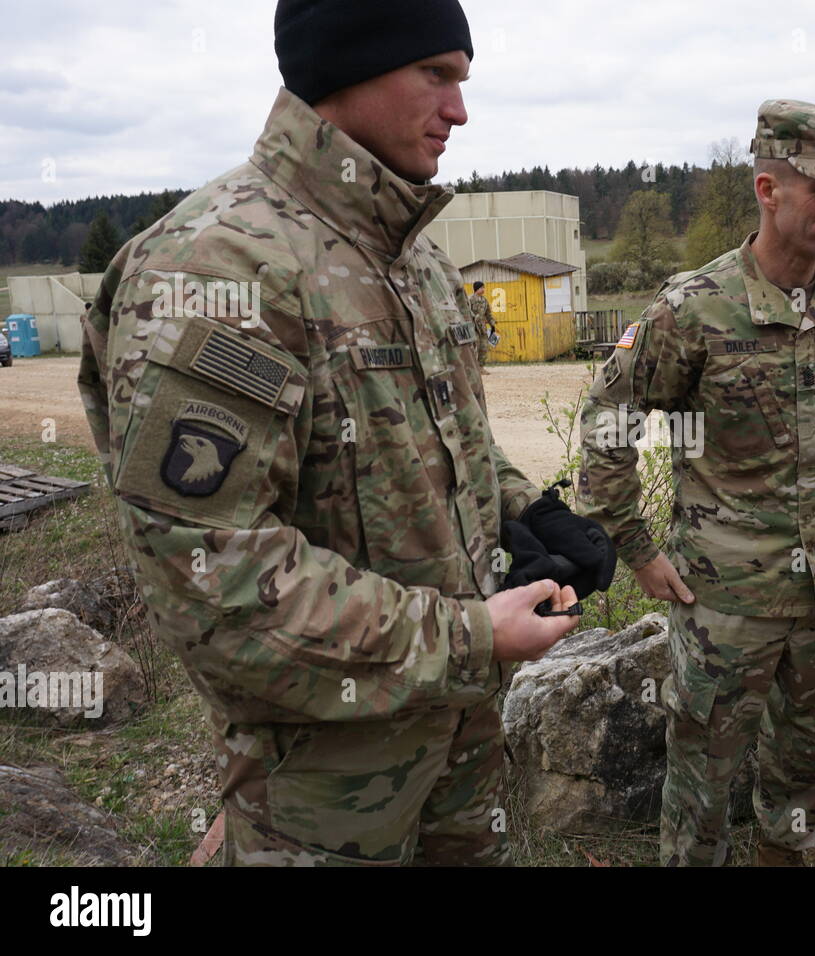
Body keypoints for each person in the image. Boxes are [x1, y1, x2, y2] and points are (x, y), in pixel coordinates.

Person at [76, 0, 614, 866]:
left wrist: (532, 511)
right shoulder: (218, 268)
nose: (460, 111)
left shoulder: (417, 258)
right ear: (346, 67)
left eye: (462, 80)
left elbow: (445, 441)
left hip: (460, 757)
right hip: (326, 791)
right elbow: (216, 582)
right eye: (435, 75)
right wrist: (473, 636)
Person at [577, 100, 815, 866]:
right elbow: (608, 416)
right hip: (725, 601)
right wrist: (635, 546)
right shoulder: (695, 307)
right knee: (704, 775)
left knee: (813, 763)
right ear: (768, 189)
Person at [469, 281, 496, 371]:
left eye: (483, 287)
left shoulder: (484, 300)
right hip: (473, 327)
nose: (483, 289)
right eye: (481, 288)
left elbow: (488, 313)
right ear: (476, 289)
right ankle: (473, 368)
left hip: (482, 327)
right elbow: (466, 311)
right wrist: (474, 317)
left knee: (484, 347)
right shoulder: (470, 299)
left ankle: (481, 367)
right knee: (475, 347)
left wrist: (492, 324)